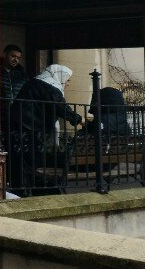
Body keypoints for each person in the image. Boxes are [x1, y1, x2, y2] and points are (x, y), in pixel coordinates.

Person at [9, 64, 90, 195]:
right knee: (31, 161)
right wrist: (79, 120)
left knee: (23, 160)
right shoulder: (49, 86)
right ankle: (29, 190)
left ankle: (25, 189)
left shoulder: (38, 83)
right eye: (67, 79)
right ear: (59, 75)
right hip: (30, 127)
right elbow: (61, 107)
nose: (68, 83)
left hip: (22, 125)